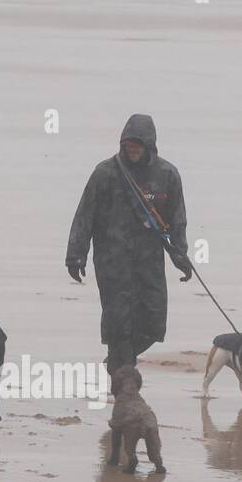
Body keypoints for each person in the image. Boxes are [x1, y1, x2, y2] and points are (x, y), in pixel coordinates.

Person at [66, 114, 194, 374]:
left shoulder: (168, 174)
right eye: (128, 144)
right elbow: (84, 215)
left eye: (137, 144)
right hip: (112, 260)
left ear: (150, 144)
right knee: (118, 323)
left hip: (149, 260)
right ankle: (123, 377)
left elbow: (177, 220)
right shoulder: (105, 172)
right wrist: (75, 255)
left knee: (154, 321)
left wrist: (181, 257)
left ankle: (118, 361)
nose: (132, 148)